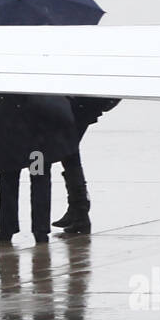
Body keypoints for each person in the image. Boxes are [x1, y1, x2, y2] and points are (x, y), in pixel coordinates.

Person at [0, 92, 78, 244]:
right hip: (36, 128)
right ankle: (40, 229)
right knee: (38, 177)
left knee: (9, 178)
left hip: (8, 124)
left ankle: (6, 228)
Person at [51, 96, 120, 234]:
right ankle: (79, 210)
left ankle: (80, 209)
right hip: (81, 103)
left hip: (80, 104)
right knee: (69, 152)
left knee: (69, 151)